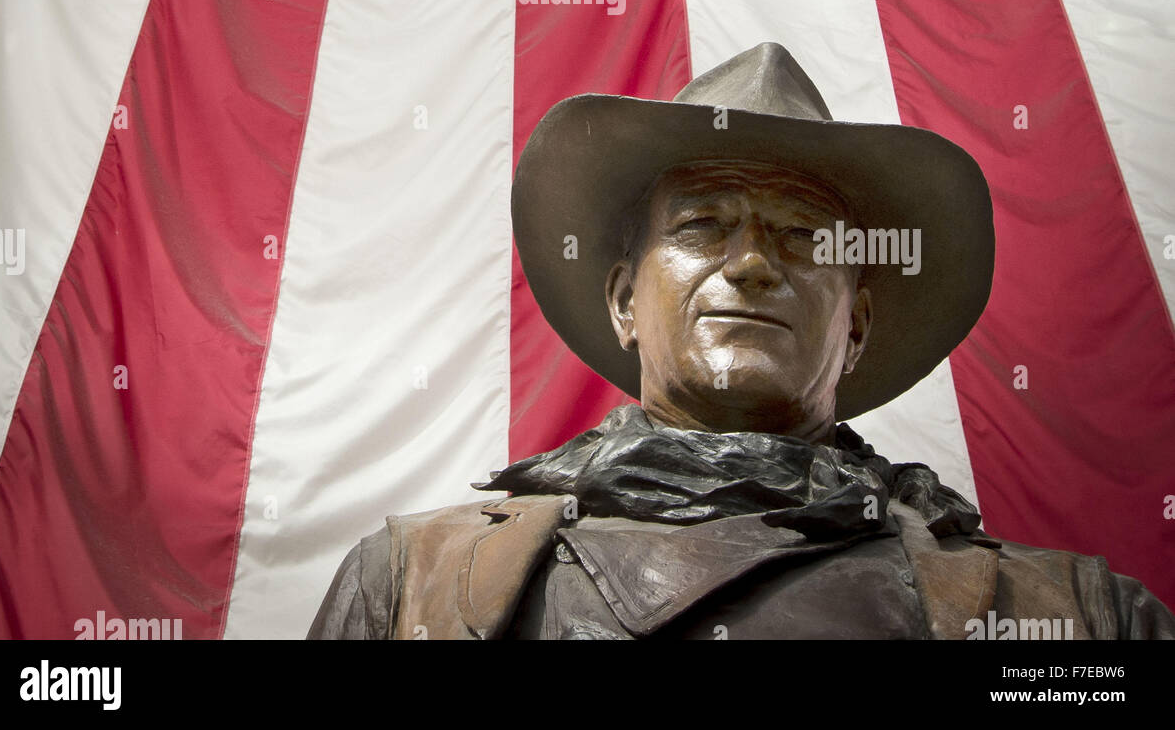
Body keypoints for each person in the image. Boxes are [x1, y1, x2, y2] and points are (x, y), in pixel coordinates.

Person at [308, 44, 1174, 640]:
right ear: (623, 300)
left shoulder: (1065, 618)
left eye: (801, 237)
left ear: (856, 327)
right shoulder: (412, 586)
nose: (752, 263)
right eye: (702, 225)